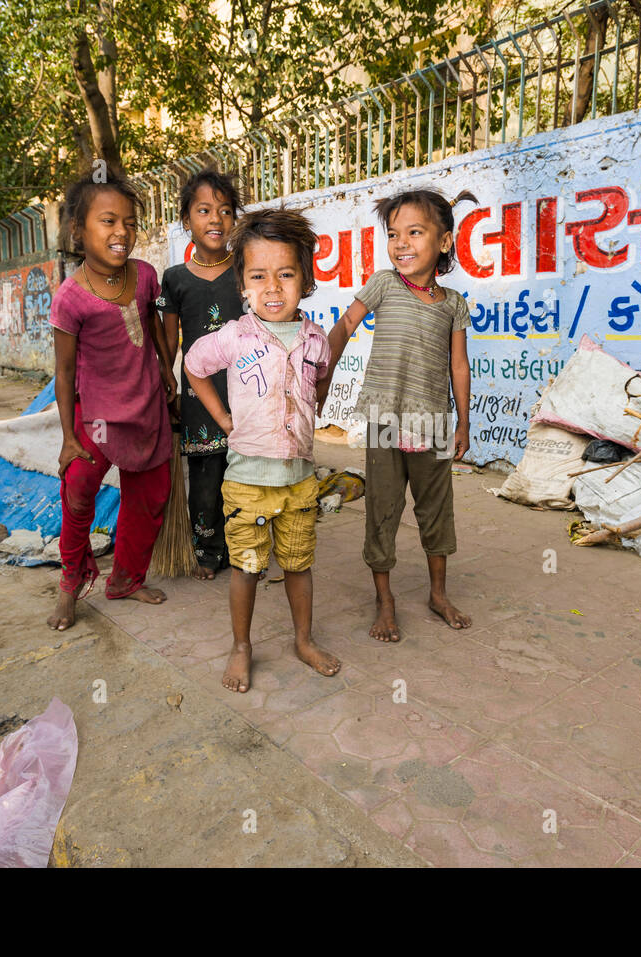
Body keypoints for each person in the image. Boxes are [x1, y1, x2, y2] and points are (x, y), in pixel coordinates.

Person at [184, 208, 338, 693]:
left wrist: (310, 413)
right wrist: (224, 419)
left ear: (306, 280)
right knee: (247, 569)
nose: (273, 288)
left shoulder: (315, 339)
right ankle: (241, 646)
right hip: (248, 480)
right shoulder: (234, 337)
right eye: (259, 276)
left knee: (299, 563)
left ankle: (303, 639)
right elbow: (192, 366)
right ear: (242, 284)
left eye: (286, 274)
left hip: (299, 479)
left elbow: (321, 380)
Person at [326, 187, 475, 643]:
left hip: (431, 424)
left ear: (444, 242)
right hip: (384, 420)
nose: (401, 243)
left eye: (415, 232)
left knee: (436, 511)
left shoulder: (452, 304)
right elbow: (347, 324)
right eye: (394, 234)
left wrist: (463, 421)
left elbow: (458, 365)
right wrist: (323, 374)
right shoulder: (384, 284)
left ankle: (438, 593)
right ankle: (385, 599)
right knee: (383, 510)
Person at [46, 171, 177, 631]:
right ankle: (71, 583)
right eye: (107, 221)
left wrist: (166, 369)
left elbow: (155, 327)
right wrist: (67, 436)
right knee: (79, 490)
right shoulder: (70, 298)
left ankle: (125, 579)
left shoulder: (144, 275)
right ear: (78, 231)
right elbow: (63, 372)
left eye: (129, 221)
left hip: (147, 408)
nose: (121, 231)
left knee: (149, 497)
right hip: (97, 417)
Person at [158, 169, 245, 579]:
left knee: (247, 473)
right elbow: (169, 339)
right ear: (186, 219)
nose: (216, 220)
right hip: (197, 395)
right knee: (206, 477)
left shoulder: (247, 271)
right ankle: (209, 551)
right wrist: (167, 380)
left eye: (225, 211)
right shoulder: (174, 279)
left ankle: (248, 544)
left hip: (248, 389)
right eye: (204, 210)